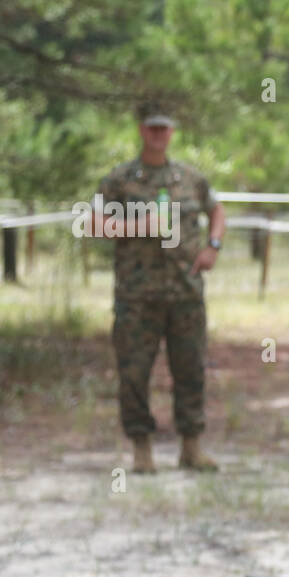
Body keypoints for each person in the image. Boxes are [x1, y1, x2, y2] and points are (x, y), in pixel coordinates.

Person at [95, 103, 226, 474]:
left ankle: (192, 446)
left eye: (163, 129)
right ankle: (142, 449)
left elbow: (217, 211)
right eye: (151, 128)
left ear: (172, 132)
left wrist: (212, 247)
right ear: (141, 130)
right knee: (134, 372)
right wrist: (141, 225)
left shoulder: (189, 178)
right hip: (138, 296)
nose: (158, 134)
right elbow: (92, 223)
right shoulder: (120, 179)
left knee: (191, 369)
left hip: (185, 293)